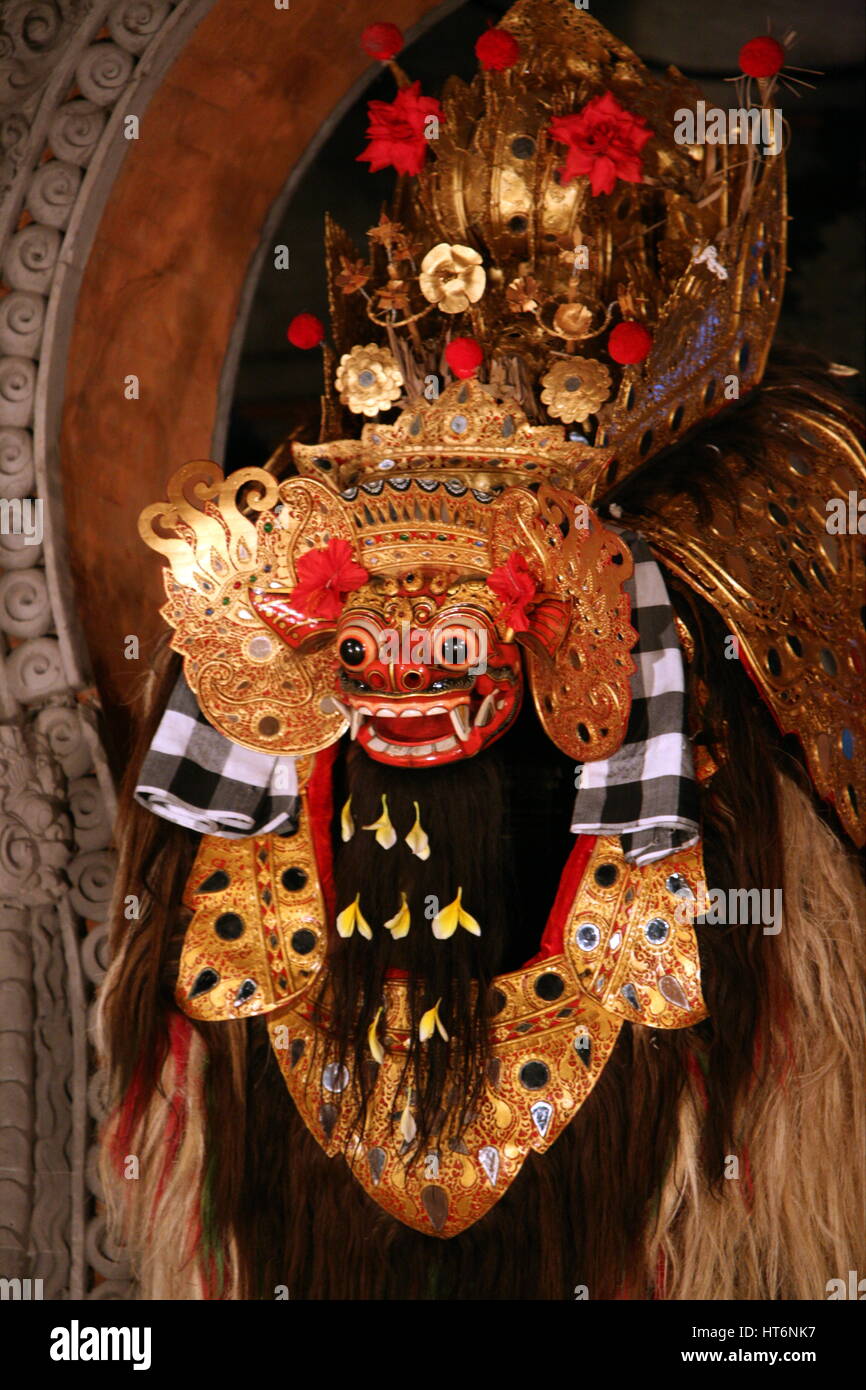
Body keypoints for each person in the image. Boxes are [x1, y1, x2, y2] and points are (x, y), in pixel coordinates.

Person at [99, 0, 865, 1300]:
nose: (407, 664)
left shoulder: (690, 649)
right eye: (372, 630)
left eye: (454, 622)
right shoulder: (253, 691)